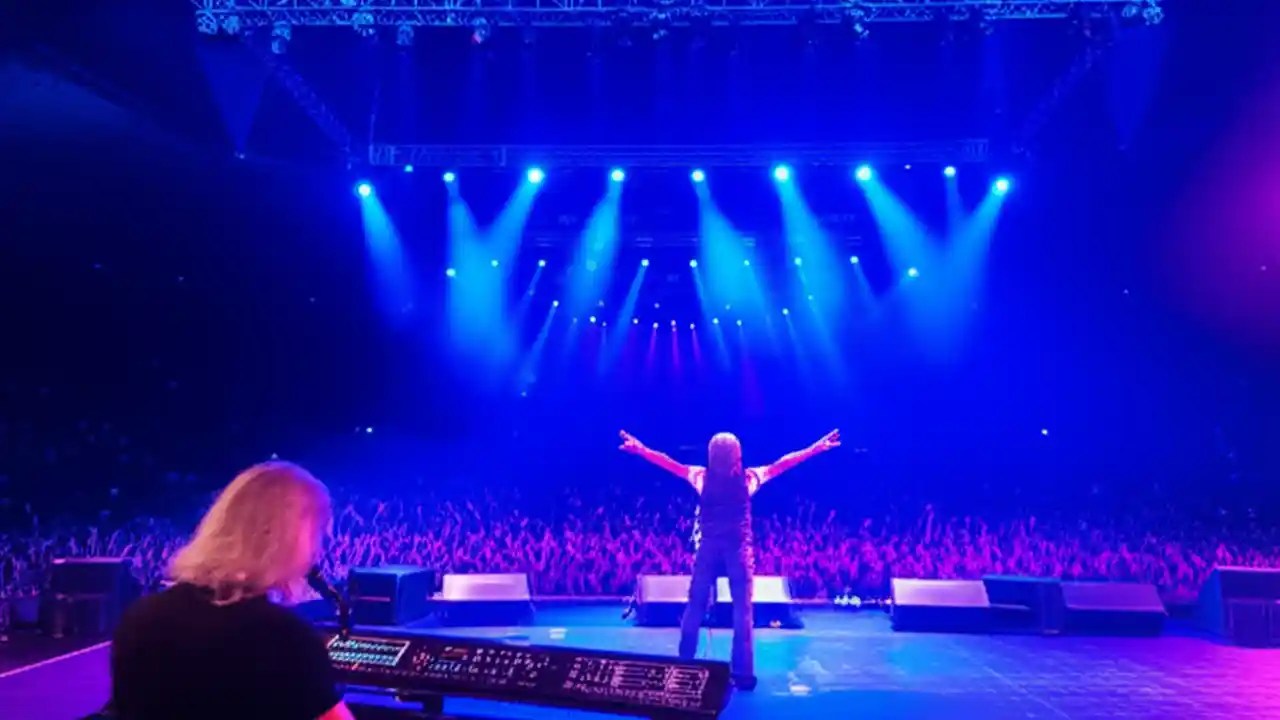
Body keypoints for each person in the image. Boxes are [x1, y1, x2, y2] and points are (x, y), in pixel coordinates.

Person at [108, 461, 355, 720]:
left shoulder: (141, 617)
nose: (314, 551)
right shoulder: (284, 636)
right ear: (289, 540)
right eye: (314, 535)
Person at [619, 428, 841, 689]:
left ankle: (684, 663)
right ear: (738, 457)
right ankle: (743, 673)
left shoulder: (701, 477)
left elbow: (669, 464)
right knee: (742, 611)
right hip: (738, 550)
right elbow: (783, 464)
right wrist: (814, 449)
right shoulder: (748, 480)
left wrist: (642, 450)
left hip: (709, 549)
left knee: (695, 606)